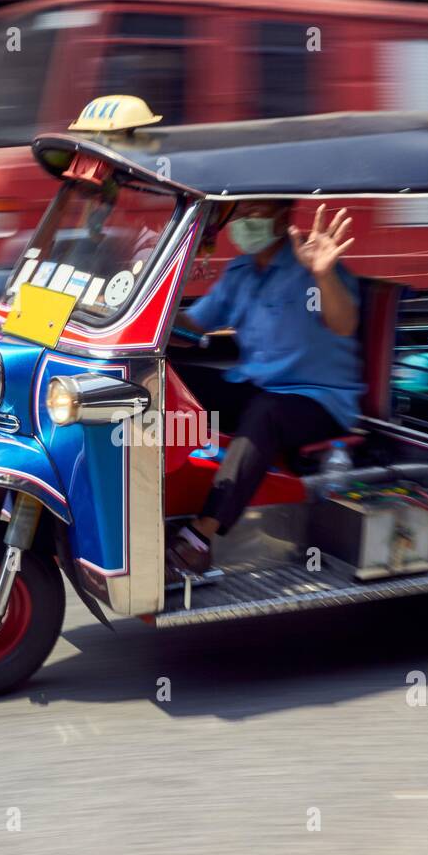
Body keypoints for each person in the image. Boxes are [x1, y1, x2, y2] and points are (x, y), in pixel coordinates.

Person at [168, 200, 363, 577]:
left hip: (317, 401)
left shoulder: (318, 270)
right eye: (239, 215)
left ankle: (200, 535)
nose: (243, 223)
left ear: (282, 215)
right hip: (255, 387)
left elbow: (343, 323)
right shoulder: (240, 271)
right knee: (169, 379)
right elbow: (192, 329)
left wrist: (323, 274)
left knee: (266, 414)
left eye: (253, 214)